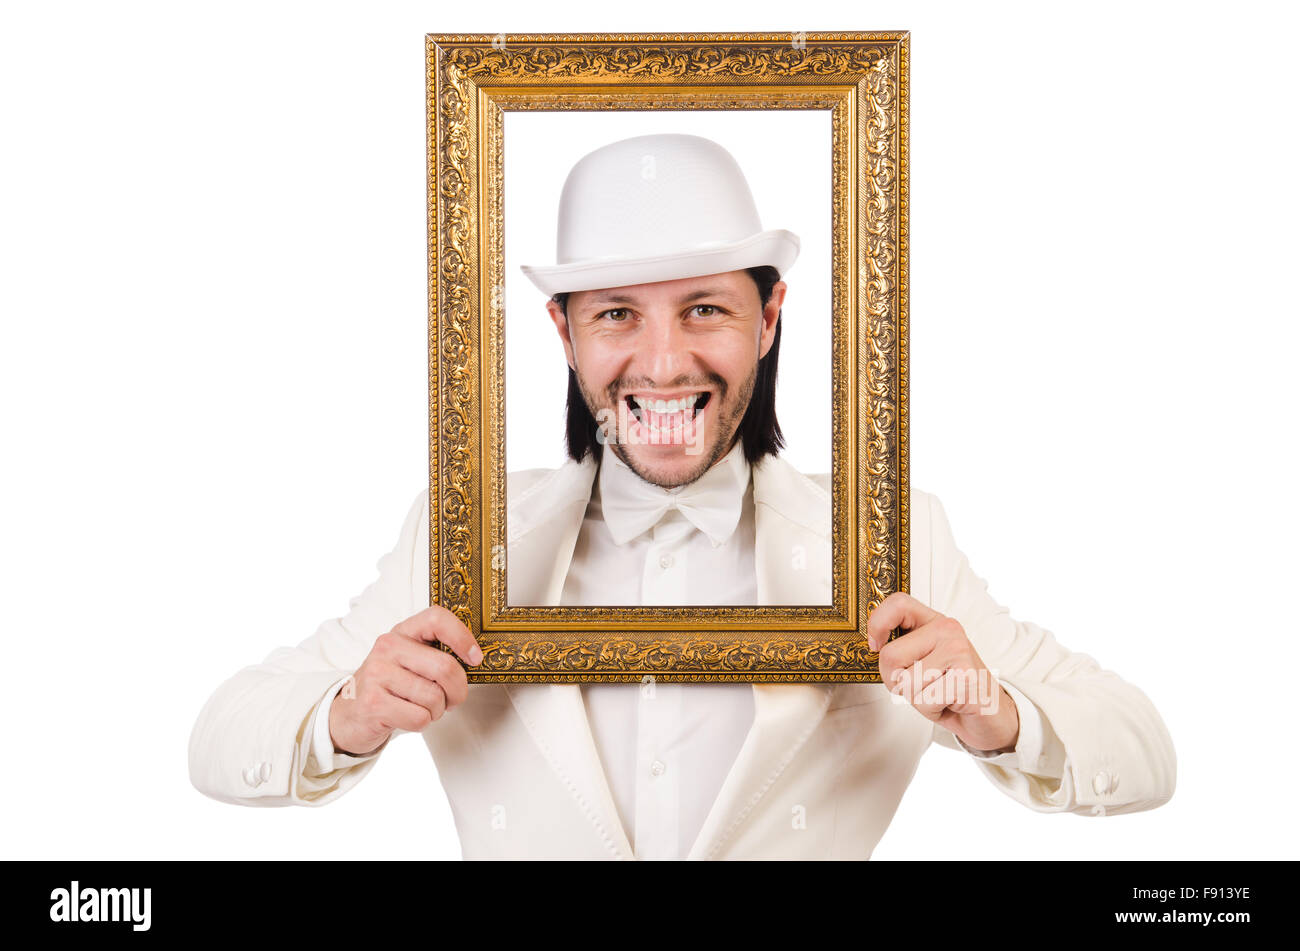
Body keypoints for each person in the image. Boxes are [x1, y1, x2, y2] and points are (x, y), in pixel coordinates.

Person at [189, 134, 1176, 859]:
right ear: (564, 332)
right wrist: (348, 714)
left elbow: (1142, 756)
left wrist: (996, 713)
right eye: (617, 314)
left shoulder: (887, 539)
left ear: (769, 317)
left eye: (705, 308)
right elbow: (218, 740)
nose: (662, 364)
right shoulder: (462, 540)